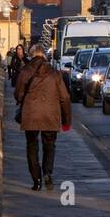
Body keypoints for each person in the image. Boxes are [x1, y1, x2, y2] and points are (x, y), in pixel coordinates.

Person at [14, 43, 72, 191]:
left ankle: (37, 180)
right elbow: (64, 98)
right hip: (50, 115)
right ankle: (47, 172)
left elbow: (18, 94)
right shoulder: (54, 73)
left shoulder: (26, 71)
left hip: (31, 114)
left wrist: (23, 99)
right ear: (43, 55)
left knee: (32, 146)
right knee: (49, 145)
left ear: (32, 54)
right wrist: (66, 121)